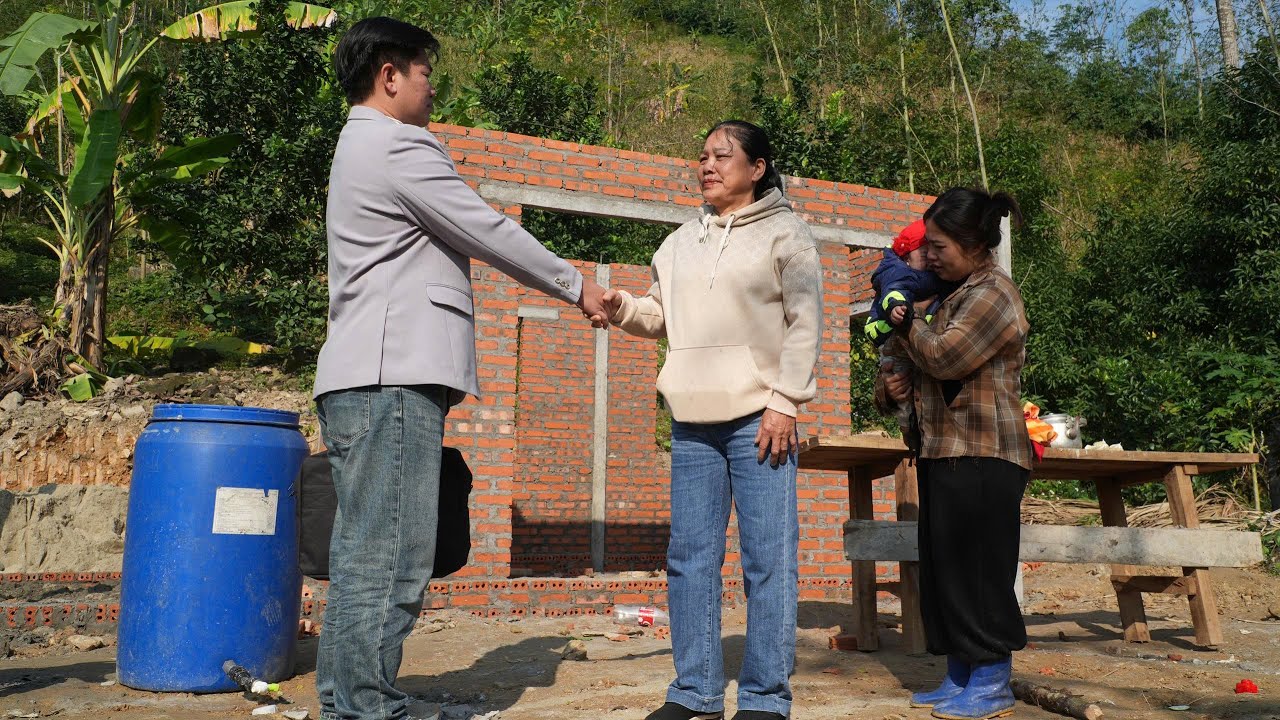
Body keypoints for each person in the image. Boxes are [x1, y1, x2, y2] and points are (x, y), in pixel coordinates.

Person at [313, 17, 608, 720]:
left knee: (364, 554)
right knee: (393, 558)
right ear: (389, 75)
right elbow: (487, 227)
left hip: (368, 378)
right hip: (391, 381)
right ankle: (366, 708)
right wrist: (578, 286)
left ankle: (348, 701)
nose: (432, 84)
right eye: (423, 71)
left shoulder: (360, 145)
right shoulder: (396, 146)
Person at [602, 120, 823, 720]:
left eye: (722, 157)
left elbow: (805, 324)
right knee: (690, 557)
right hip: (692, 419)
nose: (707, 165)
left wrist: (785, 402)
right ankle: (695, 693)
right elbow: (660, 317)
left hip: (760, 416)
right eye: (702, 156)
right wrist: (621, 306)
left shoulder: (788, 236)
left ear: (756, 168)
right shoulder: (677, 244)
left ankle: (764, 698)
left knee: (768, 558)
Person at [875, 187, 1031, 720]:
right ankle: (960, 674)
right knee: (947, 572)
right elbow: (906, 366)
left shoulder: (993, 295)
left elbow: (943, 358)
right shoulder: (948, 296)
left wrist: (904, 319)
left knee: (979, 572)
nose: (929, 257)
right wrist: (889, 385)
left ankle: (991, 681)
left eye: (939, 246)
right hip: (943, 452)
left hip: (985, 453)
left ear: (972, 243)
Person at [864, 218, 954, 437]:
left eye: (937, 251)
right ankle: (909, 432)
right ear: (906, 257)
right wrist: (887, 389)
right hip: (927, 430)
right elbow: (894, 296)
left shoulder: (960, 287)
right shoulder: (899, 276)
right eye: (925, 254)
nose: (932, 259)